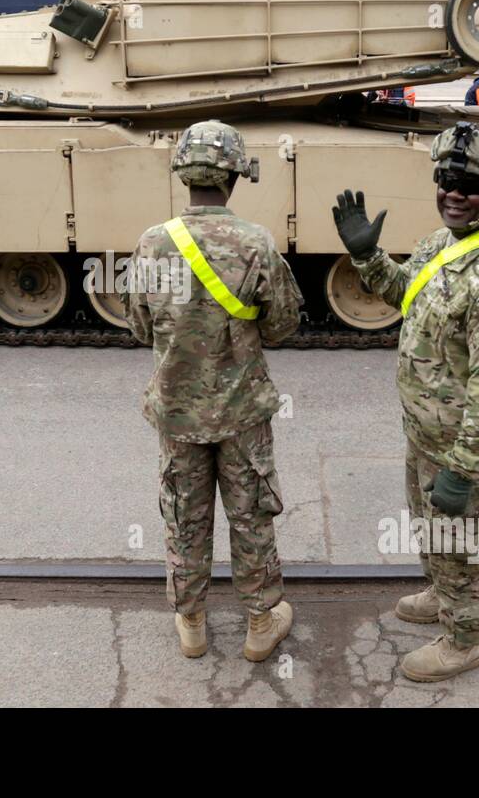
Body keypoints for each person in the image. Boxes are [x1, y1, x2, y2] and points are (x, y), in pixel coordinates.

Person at [330, 123, 479, 682]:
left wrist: (465, 470)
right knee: (434, 529)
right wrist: (369, 257)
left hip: (468, 449)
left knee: (463, 538)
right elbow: (405, 292)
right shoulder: (444, 244)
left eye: (469, 184)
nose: (453, 192)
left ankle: (464, 638)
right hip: (430, 433)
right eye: (445, 178)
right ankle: (444, 592)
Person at [124, 120, 303, 663]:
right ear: (234, 175)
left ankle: (193, 623)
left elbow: (137, 324)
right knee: (250, 516)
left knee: (184, 515)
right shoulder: (255, 244)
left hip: (177, 414)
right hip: (241, 411)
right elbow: (282, 324)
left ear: (183, 172)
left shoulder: (153, 243)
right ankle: (258, 624)